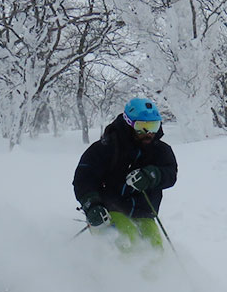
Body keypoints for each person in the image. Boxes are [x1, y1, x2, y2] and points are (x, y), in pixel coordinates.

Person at [73, 97, 177, 252]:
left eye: (154, 126)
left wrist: (152, 175)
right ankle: (109, 268)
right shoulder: (105, 148)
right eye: (142, 127)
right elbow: (84, 179)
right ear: (129, 124)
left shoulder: (161, 150)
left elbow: (170, 174)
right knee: (128, 242)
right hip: (109, 211)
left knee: (155, 249)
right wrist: (91, 205)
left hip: (143, 212)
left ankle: (158, 269)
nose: (149, 133)